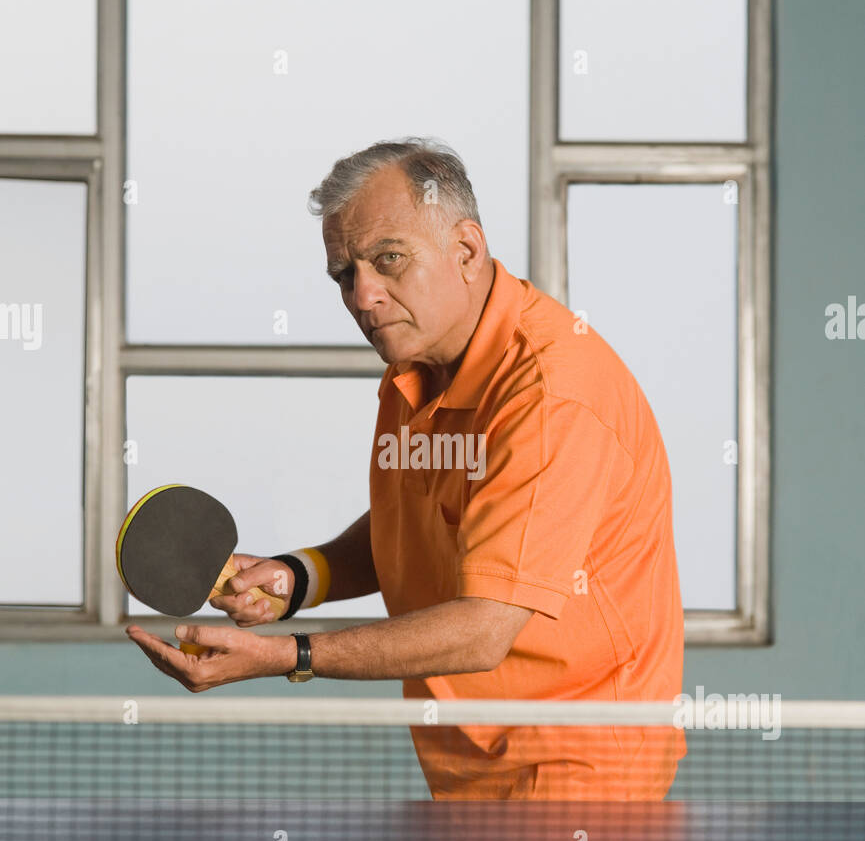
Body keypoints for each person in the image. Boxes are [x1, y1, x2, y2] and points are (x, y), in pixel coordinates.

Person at [127, 137, 685, 799]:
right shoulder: (412, 371)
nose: (364, 296)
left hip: (576, 764)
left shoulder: (550, 395)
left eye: (389, 260)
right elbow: (417, 517)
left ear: (467, 252)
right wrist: (301, 576)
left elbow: (483, 630)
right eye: (344, 274)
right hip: (465, 753)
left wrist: (289, 655)